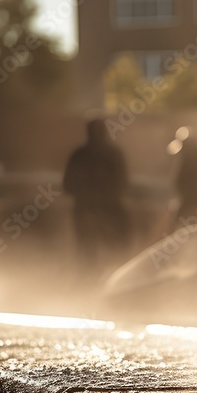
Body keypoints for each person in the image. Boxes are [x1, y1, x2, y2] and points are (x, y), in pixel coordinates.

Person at [63, 118, 132, 284]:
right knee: (98, 253)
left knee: (100, 252)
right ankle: (99, 284)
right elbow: (123, 184)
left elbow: (67, 185)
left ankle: (101, 284)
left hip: (101, 211)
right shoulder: (110, 154)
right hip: (100, 211)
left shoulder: (82, 155)